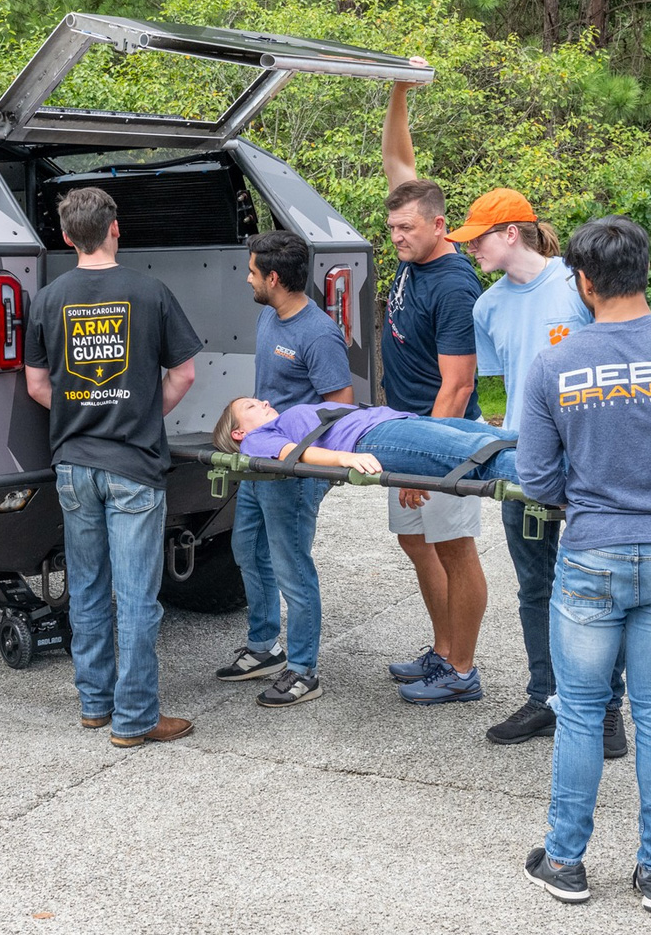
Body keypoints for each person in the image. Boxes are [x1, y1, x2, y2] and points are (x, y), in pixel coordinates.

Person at [446, 189, 628, 756]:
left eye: (477, 237)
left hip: (590, 458)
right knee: (535, 586)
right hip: (526, 459)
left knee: (600, 587)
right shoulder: (487, 307)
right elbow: (509, 385)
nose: (469, 247)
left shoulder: (577, 285)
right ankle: (545, 697)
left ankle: (604, 712)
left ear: (510, 234)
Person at [24, 186, 201, 748]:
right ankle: (136, 719)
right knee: (138, 596)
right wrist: (143, 413)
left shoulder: (48, 299)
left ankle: (95, 705)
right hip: (133, 465)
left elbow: (35, 384)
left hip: (74, 465)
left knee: (89, 587)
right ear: (115, 228)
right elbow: (185, 375)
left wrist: (81, 409)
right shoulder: (150, 293)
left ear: (66, 236)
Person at [516, 215, 651, 906]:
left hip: (592, 553)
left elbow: (536, 482)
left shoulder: (557, 362)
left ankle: (565, 862)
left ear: (585, 281)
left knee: (579, 712)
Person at [379, 64, 489, 705]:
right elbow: (397, 157)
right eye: (392, 228)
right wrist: (399, 88)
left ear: (439, 226)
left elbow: (458, 384)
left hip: (443, 437)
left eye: (406, 229)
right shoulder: (413, 245)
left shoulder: (452, 284)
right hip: (405, 429)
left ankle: (464, 669)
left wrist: (428, 467)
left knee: (453, 544)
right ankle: (443, 650)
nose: (396, 237)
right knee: (415, 540)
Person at [214, 230, 353, 707]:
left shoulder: (318, 334)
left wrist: (311, 472)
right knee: (247, 550)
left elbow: (341, 409)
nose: (248, 279)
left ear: (273, 278)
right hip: (258, 463)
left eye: (252, 272)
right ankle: (263, 646)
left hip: (292, 473)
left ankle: (303, 670)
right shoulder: (268, 316)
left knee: (293, 567)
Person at [215, 397, 518, 493]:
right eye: (251, 407)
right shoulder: (256, 440)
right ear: (238, 433)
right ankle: (559, 479)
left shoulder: (276, 424)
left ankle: (559, 452)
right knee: (475, 454)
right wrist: (343, 459)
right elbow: (294, 456)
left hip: (390, 421)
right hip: (368, 439)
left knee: (488, 437)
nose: (263, 402)